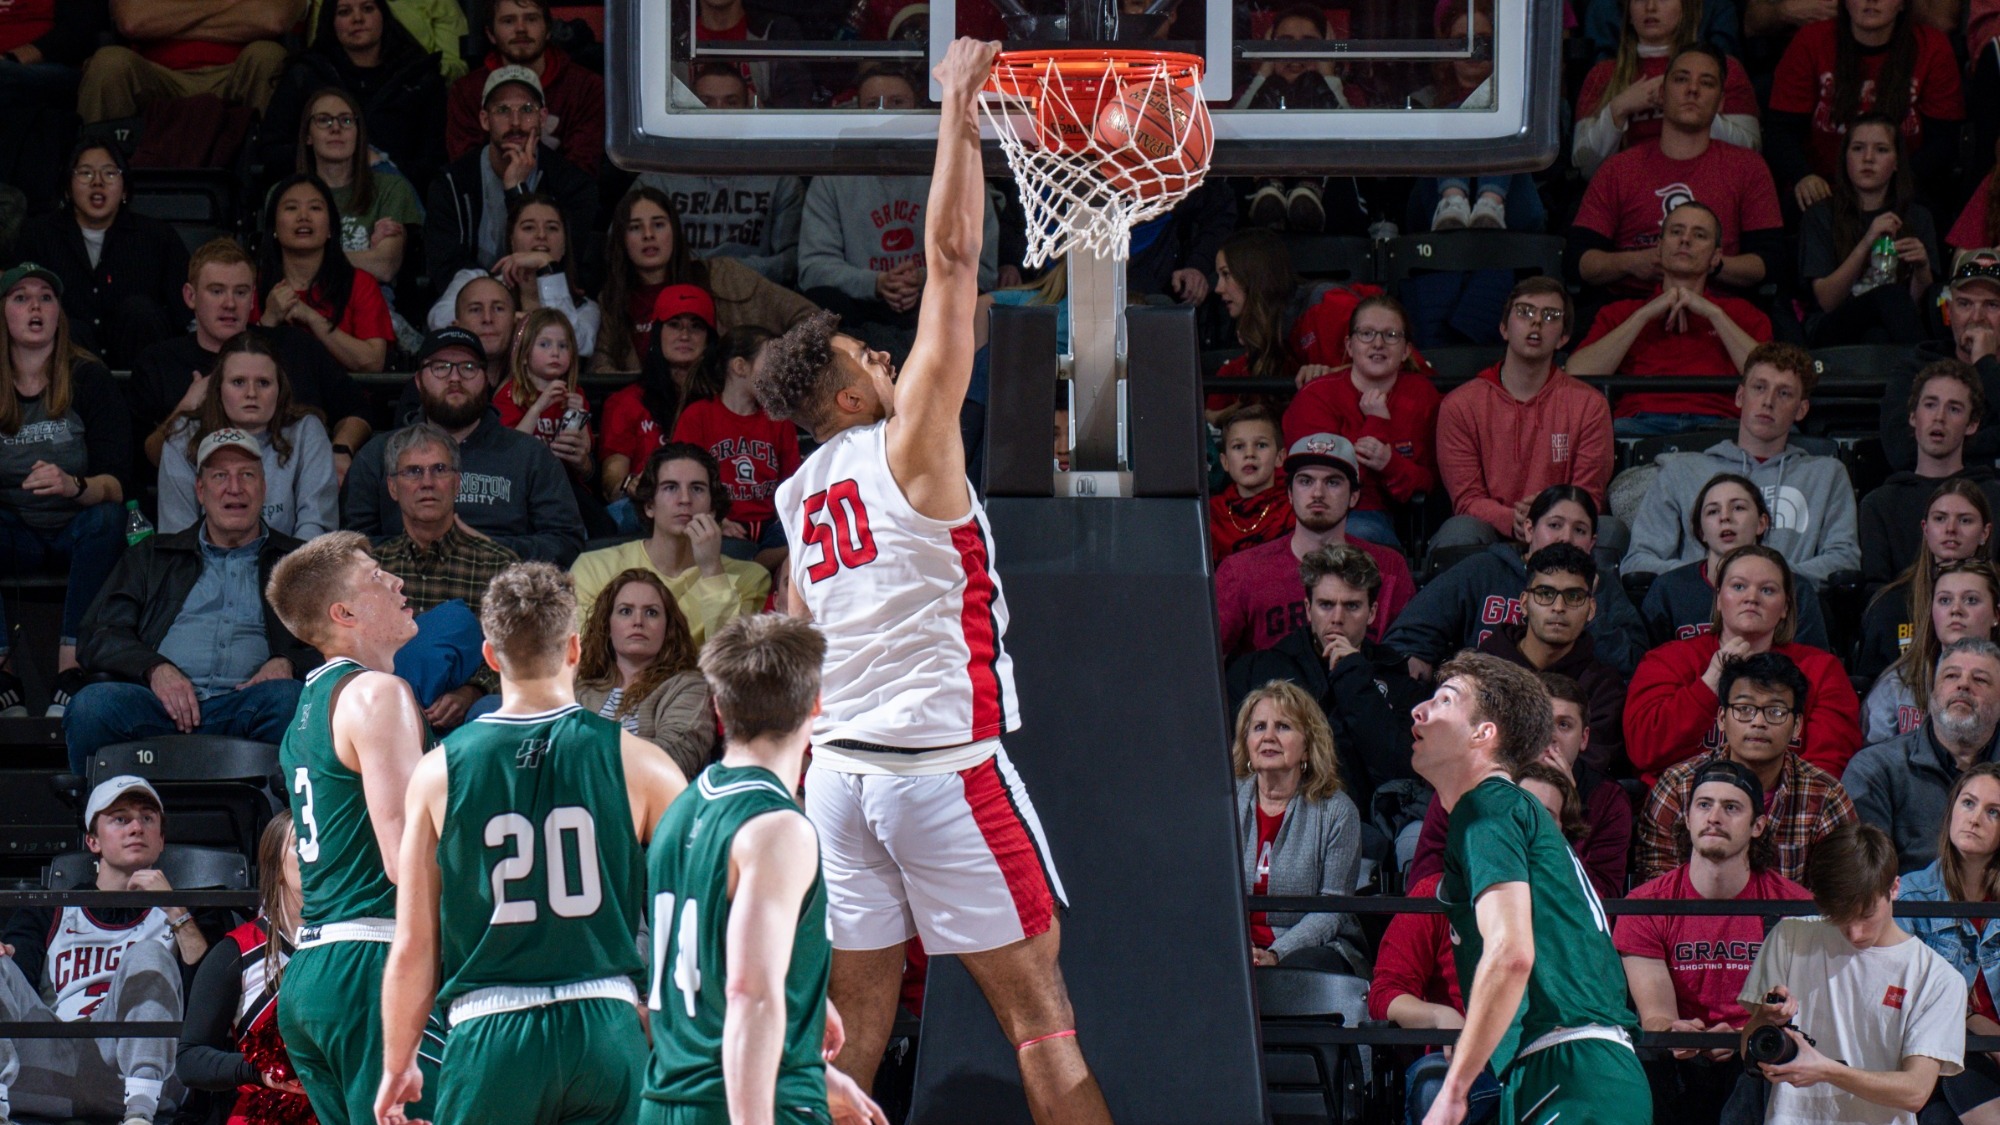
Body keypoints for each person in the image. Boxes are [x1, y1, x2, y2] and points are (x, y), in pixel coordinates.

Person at [753, 39, 1113, 1124]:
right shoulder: (908, 440)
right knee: (1040, 1018)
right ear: (856, 394)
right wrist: (956, 110)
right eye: (872, 358)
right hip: (937, 769)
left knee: (849, 1036)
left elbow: (794, 638)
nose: (889, 360)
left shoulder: (797, 495)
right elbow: (954, 264)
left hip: (837, 779)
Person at [374, 563, 688, 1124]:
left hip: (492, 1031)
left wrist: (399, 1064)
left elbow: (415, 943)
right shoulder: (641, 761)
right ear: (573, 649)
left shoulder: (437, 771)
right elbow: (699, 906)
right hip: (605, 1021)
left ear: (490, 658)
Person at [640, 613, 886, 1125]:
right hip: (746, 1103)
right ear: (817, 705)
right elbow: (748, 995)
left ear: (718, 707)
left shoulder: (681, 808)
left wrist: (811, 1070)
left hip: (665, 1098)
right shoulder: (778, 829)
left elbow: (710, 975)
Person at [1408, 652, 1650, 1125]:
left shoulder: (1489, 807)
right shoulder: (1510, 809)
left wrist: (1454, 1090)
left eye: (1445, 700)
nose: (1420, 711)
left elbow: (1511, 953)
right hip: (1571, 1069)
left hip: (1570, 1068)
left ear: (1484, 734)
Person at [263, 530, 437, 1125]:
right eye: (375, 577)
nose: (395, 581)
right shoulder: (377, 693)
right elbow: (405, 857)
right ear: (345, 613)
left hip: (311, 973)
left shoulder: (306, 710)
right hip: (372, 964)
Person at [63, 429, 312, 773]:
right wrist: (154, 668)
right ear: (200, 490)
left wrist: (288, 663)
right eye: (220, 476)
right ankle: (96, 823)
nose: (234, 488)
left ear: (264, 487)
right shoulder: (152, 556)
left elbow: (341, 642)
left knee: (290, 700)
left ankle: (288, 827)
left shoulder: (298, 562)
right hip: (157, 707)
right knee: (91, 706)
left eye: (247, 475)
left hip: (248, 706)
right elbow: (99, 634)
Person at [0, 776, 231, 1125]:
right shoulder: (50, 908)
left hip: (150, 1075)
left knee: (149, 953)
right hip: (57, 1064)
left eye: (148, 818)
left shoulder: (193, 912)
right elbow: (17, 972)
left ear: (161, 839)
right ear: (93, 841)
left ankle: (139, 1115)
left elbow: (211, 1005)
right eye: (120, 819)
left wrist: (174, 910)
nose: (136, 827)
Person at [1615, 759, 1812, 1123]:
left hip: (1757, 1059)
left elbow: (1797, 1010)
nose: (1714, 817)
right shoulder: (1646, 905)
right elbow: (1656, 1015)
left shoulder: (1795, 908)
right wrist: (1674, 1031)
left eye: (1731, 807)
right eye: (1704, 805)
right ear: (1688, 818)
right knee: (1645, 1051)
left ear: (1758, 826)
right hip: (1679, 1066)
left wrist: (1743, 1033)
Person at [1738, 824, 1966, 1125]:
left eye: (1867, 914)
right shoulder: (1789, 936)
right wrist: (1766, 1019)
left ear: (1894, 888)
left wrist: (1826, 1070)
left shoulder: (1937, 978)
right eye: (1841, 916)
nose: (1855, 932)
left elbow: (1916, 1091)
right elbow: (1747, 1049)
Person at [0, 262, 131, 718]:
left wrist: (72, 485)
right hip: (15, 534)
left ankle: (70, 667)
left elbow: (118, 483)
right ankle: (3, 671)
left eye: (46, 297)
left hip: (76, 528)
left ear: (59, 313)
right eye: (20, 297)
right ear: (4, 314)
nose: (35, 306)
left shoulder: (88, 378)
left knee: (109, 520)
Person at [341, 327, 587, 565]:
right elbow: (349, 545)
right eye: (440, 367)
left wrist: (491, 550)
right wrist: (419, 550)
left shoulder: (529, 454)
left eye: (468, 367)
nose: (455, 378)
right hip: (403, 591)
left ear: (487, 378)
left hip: (503, 589)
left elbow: (566, 542)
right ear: (418, 381)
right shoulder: (378, 454)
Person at [1621, 342, 1861, 584]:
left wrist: (1763, 577)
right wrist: (1711, 576)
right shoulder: (1682, 470)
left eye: (1784, 393)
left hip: (1791, 610)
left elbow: (1844, 561)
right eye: (1759, 387)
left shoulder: (1826, 474)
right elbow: (1639, 561)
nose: (1768, 401)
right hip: (1698, 611)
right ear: (1739, 396)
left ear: (1801, 409)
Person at [796, 76, 1001, 359]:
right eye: (872, 105)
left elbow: (986, 268)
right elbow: (812, 269)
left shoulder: (956, 173)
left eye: (896, 103)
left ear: (915, 110)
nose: (885, 112)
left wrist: (925, 278)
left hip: (939, 307)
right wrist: (876, 283)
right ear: (858, 112)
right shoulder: (833, 180)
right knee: (823, 302)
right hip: (860, 312)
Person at [129, 238, 372, 475]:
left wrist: (341, 450)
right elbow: (147, 459)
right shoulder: (158, 362)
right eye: (216, 291)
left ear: (253, 297)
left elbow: (359, 410)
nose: (230, 303)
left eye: (241, 292)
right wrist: (185, 409)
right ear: (190, 296)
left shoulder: (296, 347)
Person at [1625, 546, 1863, 784]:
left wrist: (1769, 805)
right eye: (1738, 586)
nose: (1752, 598)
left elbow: (1828, 765)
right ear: (1718, 599)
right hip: (1684, 809)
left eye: (1767, 590)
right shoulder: (1669, 660)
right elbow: (1644, 751)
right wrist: (1709, 683)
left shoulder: (1821, 670)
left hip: (1789, 811)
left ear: (1785, 608)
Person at [1568, 44, 1783, 303]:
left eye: (1707, 83)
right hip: (1631, 308)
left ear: (1721, 102)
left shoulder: (1749, 167)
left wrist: (1709, 264)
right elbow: (1578, 260)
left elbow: (1769, 263)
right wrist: (1634, 262)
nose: (1692, 90)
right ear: (1661, 93)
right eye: (1681, 79)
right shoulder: (1618, 169)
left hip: (1718, 311)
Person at [1225, 545, 1425, 813]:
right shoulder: (1262, 670)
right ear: (1308, 609)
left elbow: (1399, 772)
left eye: (1352, 606)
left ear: (1373, 612)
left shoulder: (1395, 675)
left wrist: (1353, 676)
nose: (1337, 619)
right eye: (1326, 605)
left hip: (1369, 828)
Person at [1408, 671, 1636, 904]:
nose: (1549, 736)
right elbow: (1426, 882)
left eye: (1564, 725)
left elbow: (1602, 904)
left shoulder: (1608, 800)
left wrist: (1565, 813)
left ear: (1584, 738)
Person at [1636, 650, 1858, 883]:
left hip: (1790, 920)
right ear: (1721, 718)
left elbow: (1838, 895)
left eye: (1776, 711)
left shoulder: (1826, 796)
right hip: (1694, 918)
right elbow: (1657, 889)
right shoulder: (1677, 786)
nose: (1758, 722)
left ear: (1797, 726)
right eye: (1744, 709)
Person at [1385, 484, 1650, 679]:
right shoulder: (1485, 569)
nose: (1566, 538)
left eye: (1579, 530)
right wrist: (1415, 658)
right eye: (1555, 525)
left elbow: (1633, 663)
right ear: (1529, 529)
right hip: (1484, 696)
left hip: (1572, 707)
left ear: (1592, 543)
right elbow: (1412, 631)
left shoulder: (1603, 587)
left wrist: (1589, 609)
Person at [1432, 276, 1615, 553]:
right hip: (1491, 533)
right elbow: (1467, 500)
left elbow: (1588, 494)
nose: (1536, 322)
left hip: (1563, 532)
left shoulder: (1590, 404)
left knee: (1611, 530)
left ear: (1563, 337)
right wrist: (1512, 520)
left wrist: (1546, 518)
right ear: (1504, 328)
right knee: (1460, 530)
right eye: (1525, 312)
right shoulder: (1460, 404)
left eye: (1551, 315)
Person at [1565, 201, 1774, 435]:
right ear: (1659, 248)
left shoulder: (1743, 314)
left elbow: (1770, 381)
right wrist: (1643, 315)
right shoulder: (1620, 313)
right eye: (1676, 232)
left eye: (1699, 235)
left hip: (1721, 430)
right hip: (1637, 429)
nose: (1685, 240)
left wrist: (1714, 314)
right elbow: (1576, 375)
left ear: (1715, 258)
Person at [369, 422, 520, 730]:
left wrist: (472, 691)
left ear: (457, 482)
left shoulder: (500, 565)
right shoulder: (371, 567)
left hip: (470, 715)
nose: (427, 482)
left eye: (439, 469)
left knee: (494, 709)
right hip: (386, 709)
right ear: (393, 487)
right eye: (413, 471)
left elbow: (518, 650)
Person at [1215, 433, 1416, 655]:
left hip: (1360, 685)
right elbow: (1205, 658)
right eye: (1306, 481)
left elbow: (1408, 658)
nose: (1318, 493)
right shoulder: (1241, 572)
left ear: (1354, 496)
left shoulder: (1389, 567)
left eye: (1332, 482)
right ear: (1290, 494)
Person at [175, 811, 313, 1125]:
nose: (314, 852)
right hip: (264, 1115)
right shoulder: (236, 952)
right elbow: (189, 1060)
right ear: (275, 865)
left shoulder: (353, 947)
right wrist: (259, 1071)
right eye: (301, 842)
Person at [1766, 0, 1964, 214]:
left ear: (1903, 4)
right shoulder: (1810, 41)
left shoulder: (1933, 47)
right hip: (1824, 188)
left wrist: (1894, 183)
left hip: (1903, 188)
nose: (1871, 0)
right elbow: (1780, 130)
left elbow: (1944, 140)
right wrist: (1802, 175)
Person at [594, 185, 817, 373]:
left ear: (675, 232)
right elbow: (602, 369)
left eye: (659, 224)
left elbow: (810, 319)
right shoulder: (613, 299)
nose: (648, 235)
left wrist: (766, 372)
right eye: (635, 228)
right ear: (621, 240)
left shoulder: (725, 276)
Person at [1280, 295, 1441, 550]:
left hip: (1399, 518)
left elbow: (1428, 480)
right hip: (1326, 515)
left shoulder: (1422, 395)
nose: (1378, 343)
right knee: (1353, 535)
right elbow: (1321, 481)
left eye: (1391, 335)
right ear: (1349, 345)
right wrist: (1376, 421)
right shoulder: (1315, 396)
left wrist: (1390, 464)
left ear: (1407, 350)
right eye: (1366, 333)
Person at [570, 443, 772, 643]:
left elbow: (733, 663)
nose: (684, 499)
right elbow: (585, 659)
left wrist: (712, 571)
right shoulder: (593, 568)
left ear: (712, 508)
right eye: (670, 487)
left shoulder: (751, 577)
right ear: (649, 505)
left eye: (697, 488)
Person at [14, 140, 189, 367]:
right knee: (67, 326)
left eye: (110, 173)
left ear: (125, 188)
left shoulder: (158, 238)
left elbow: (186, 314)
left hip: (144, 377)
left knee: (139, 312)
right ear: (67, 189)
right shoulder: (37, 236)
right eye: (85, 173)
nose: (98, 182)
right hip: (65, 379)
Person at [1232, 680, 1365, 972]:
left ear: (1307, 747)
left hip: (1309, 949)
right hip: (1231, 946)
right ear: (1247, 742)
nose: (1268, 737)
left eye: (1282, 727)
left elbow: (1331, 910)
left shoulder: (1337, 812)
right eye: (1258, 728)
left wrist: (1277, 953)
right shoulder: (1226, 802)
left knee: (1306, 968)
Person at [425, 64, 596, 286]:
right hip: (474, 305)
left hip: (544, 302)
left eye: (526, 110)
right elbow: (444, 270)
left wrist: (516, 192)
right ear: (485, 120)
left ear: (542, 118)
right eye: (503, 110)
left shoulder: (572, 184)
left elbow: (568, 271)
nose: (515, 123)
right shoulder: (452, 183)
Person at [157, 330, 337, 541]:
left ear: (280, 389)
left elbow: (316, 528)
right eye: (238, 382)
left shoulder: (306, 431)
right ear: (218, 388)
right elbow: (177, 533)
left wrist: (288, 572)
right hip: (202, 567)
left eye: (263, 383)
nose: (251, 393)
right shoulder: (184, 435)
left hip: (289, 567)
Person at [257, 0, 449, 193]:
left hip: (397, 200)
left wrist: (384, 169)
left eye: (367, 9)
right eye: (344, 12)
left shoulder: (420, 78)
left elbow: (434, 163)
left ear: (384, 15)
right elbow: (272, 151)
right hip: (317, 198)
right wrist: (327, 159)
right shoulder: (306, 75)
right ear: (330, 22)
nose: (357, 19)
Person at [1900, 762, 2000, 1123]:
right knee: (1956, 1062)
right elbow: (1906, 1001)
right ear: (1952, 809)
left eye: (1993, 812)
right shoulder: (1911, 895)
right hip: (1939, 1056)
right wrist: (1978, 1024)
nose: (1975, 819)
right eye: (1968, 803)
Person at [1847, 639, 2000, 870]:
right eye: (1951, 676)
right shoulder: (1874, 771)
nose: (1963, 685)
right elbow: (1866, 883)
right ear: (1932, 694)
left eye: (1980, 679)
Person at [1473, 544, 1627, 773]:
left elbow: (1593, 772)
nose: (1558, 607)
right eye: (1545, 594)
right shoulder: (1479, 669)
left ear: (1591, 609)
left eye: (1573, 596)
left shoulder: (1603, 687)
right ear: (1524, 603)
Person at [636, 77, 806, 284]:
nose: (719, 112)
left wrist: (726, 273)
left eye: (731, 102)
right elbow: (623, 245)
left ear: (747, 109)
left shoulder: (780, 180)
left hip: (751, 295)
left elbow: (792, 261)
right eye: (706, 102)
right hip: (672, 293)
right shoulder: (658, 177)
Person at [1640, 471, 1834, 649]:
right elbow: (1651, 667)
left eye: (1738, 508)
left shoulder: (1795, 588)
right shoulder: (1668, 589)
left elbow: (1812, 665)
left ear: (1761, 523)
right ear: (1701, 531)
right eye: (1713, 511)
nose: (1725, 517)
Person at [1572, 0, 1759, 179]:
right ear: (1628, 13)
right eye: (1639, 0)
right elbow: (1585, 167)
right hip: (1630, 190)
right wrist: (1619, 108)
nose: (1650, 7)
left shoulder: (1724, 69)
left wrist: (1689, 103)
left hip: (1707, 186)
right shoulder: (1602, 75)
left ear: (1687, 7)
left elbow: (1749, 156)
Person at [1796, 114, 1941, 346]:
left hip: (1889, 331)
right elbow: (1826, 301)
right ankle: (1930, 370)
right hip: (1831, 326)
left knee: (1878, 335)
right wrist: (1867, 241)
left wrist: (1922, 268)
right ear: (1845, 158)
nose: (1868, 158)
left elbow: (1915, 309)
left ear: (1896, 163)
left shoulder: (1918, 217)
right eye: (1858, 148)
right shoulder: (1821, 215)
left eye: (1881, 150)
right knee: (1889, 295)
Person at [1860, 363, 2000, 592]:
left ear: (1972, 424)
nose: (1939, 417)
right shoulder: (1879, 504)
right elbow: (1876, 596)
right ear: (1913, 416)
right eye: (1930, 405)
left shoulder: (1994, 496)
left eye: (1954, 409)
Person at [1409, 4, 1543, 234]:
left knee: (1500, 114)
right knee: (1452, 112)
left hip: (1511, 228)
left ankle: (1491, 203)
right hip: (1436, 233)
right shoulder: (1422, 102)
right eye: (1461, 40)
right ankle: (1451, 202)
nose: (1472, 49)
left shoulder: (1524, 96)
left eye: (1483, 39)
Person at [672, 324, 799, 567]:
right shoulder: (698, 416)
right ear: (740, 367)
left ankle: (760, 565)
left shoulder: (779, 419)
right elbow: (681, 480)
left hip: (772, 530)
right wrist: (713, 518)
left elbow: (791, 485)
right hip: (719, 527)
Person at [575, 567, 714, 779]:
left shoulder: (688, 686)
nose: (638, 621)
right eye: (625, 611)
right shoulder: (581, 688)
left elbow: (674, 759)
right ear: (607, 624)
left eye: (651, 612)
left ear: (668, 627)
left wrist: (583, 748)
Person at [426, 191, 601, 356]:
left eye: (552, 228)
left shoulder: (585, 308)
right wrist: (514, 321)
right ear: (511, 239)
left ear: (564, 244)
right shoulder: (473, 281)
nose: (541, 235)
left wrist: (546, 267)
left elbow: (574, 344)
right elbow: (440, 321)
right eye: (529, 228)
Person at [442, 0, 604, 175]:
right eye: (508, 21)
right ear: (491, 34)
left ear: (549, 29)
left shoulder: (587, 87)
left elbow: (583, 170)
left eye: (531, 19)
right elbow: (465, 171)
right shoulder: (466, 91)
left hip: (562, 199)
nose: (521, 29)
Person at [1232, 5, 1355, 235]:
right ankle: (1269, 192)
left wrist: (1327, 75)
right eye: (1285, 43)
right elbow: (1230, 134)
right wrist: (1265, 70)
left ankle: (1309, 191)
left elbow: (1356, 141)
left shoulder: (1351, 94)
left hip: (1333, 220)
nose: (1296, 52)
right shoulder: (1251, 91)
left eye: (1309, 43)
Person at [1856, 484, 1995, 687]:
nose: (1951, 529)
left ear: (1985, 532)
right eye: (1940, 518)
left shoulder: (1996, 594)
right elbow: (1870, 684)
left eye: (1965, 520)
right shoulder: (1889, 604)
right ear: (1925, 528)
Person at [289, 85, 425, 291]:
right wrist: (365, 256)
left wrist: (308, 258)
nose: (336, 128)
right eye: (324, 120)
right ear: (308, 135)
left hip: (370, 302)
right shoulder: (285, 194)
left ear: (358, 133)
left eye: (346, 120)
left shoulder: (392, 188)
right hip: (302, 297)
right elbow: (279, 264)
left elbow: (384, 266)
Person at [257, 173, 394, 374]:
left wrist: (312, 318)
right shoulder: (255, 285)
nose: (303, 216)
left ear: (331, 228)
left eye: (315, 208)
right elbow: (234, 363)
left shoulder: (359, 283)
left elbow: (372, 362)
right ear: (274, 228)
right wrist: (269, 319)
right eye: (291, 208)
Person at [598, 285, 717, 513]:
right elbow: (612, 482)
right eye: (674, 325)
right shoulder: (625, 402)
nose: (684, 335)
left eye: (696, 326)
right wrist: (630, 484)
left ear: (708, 339)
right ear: (657, 333)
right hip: (645, 510)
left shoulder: (725, 401)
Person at [77, 0, 297, 123]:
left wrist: (172, 14)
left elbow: (273, 20)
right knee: (109, 63)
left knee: (268, 56)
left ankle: (272, 185)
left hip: (237, 73)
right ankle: (95, 172)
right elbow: (133, 21)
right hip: (158, 76)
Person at [1881, 249, 2000, 472]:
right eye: (1964, 304)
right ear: (1949, 310)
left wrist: (1985, 364)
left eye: (1992, 305)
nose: (1976, 317)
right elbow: (1901, 451)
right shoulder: (1916, 368)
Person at [1862, 557, 2000, 743]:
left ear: (1996, 615)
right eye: (1944, 600)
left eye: (1971, 600)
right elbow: (1872, 763)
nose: (1956, 609)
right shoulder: (1896, 685)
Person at [494, 307, 595, 489]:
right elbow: (509, 449)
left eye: (563, 346)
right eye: (544, 344)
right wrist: (538, 407)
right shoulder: (511, 393)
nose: (555, 352)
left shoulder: (575, 393)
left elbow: (585, 450)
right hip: (523, 485)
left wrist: (578, 414)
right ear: (524, 355)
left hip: (566, 485)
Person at [1210, 404, 1294, 563]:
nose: (1249, 454)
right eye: (1238, 446)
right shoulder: (1212, 514)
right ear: (1225, 462)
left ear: (1280, 457)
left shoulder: (1293, 509)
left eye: (1261, 445)